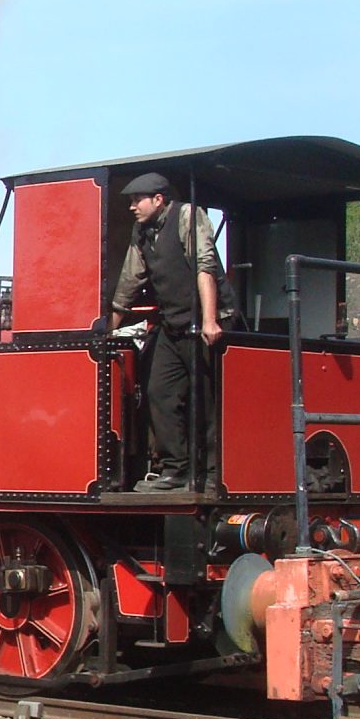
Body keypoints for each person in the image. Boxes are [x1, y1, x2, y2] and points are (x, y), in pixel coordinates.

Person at [107, 173, 229, 493]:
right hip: (172, 324)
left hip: (203, 322)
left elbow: (205, 266)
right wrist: (109, 327)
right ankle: (176, 468)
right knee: (157, 391)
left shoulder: (188, 216)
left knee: (205, 397)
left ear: (158, 199)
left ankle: (214, 471)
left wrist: (210, 320)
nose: (132, 207)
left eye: (137, 200)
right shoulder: (142, 231)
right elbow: (130, 279)